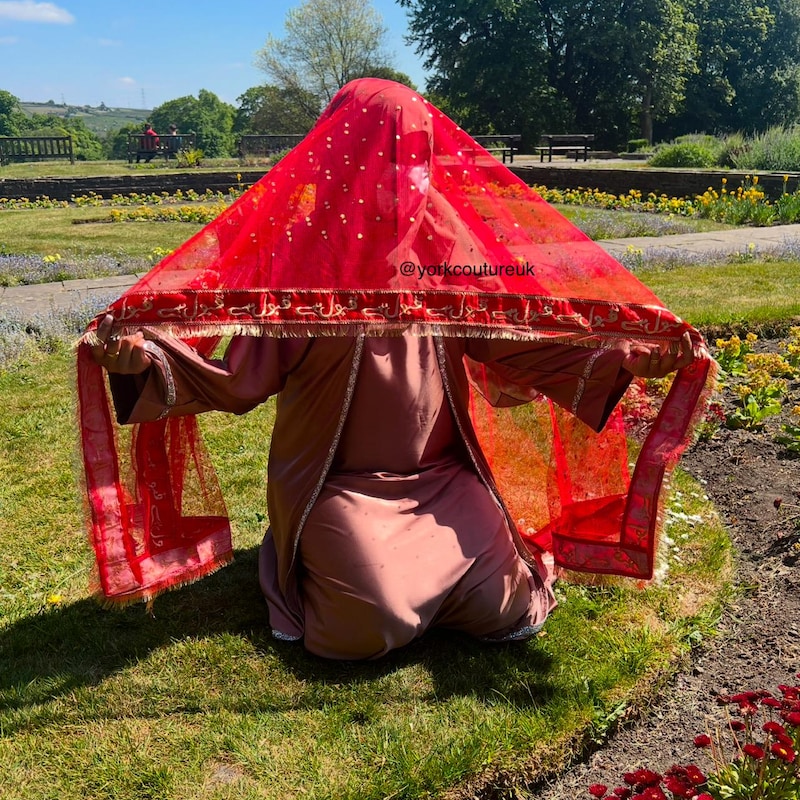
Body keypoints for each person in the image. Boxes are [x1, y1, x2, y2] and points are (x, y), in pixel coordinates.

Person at [78, 79, 713, 660]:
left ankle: (403, 573)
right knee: (363, 628)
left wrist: (620, 358)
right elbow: (240, 378)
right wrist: (143, 361)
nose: (407, 177)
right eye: (387, 158)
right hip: (337, 484)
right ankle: (299, 550)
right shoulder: (303, 254)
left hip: (443, 478)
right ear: (343, 160)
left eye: (417, 158)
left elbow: (513, 341)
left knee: (508, 611)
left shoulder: (449, 244)